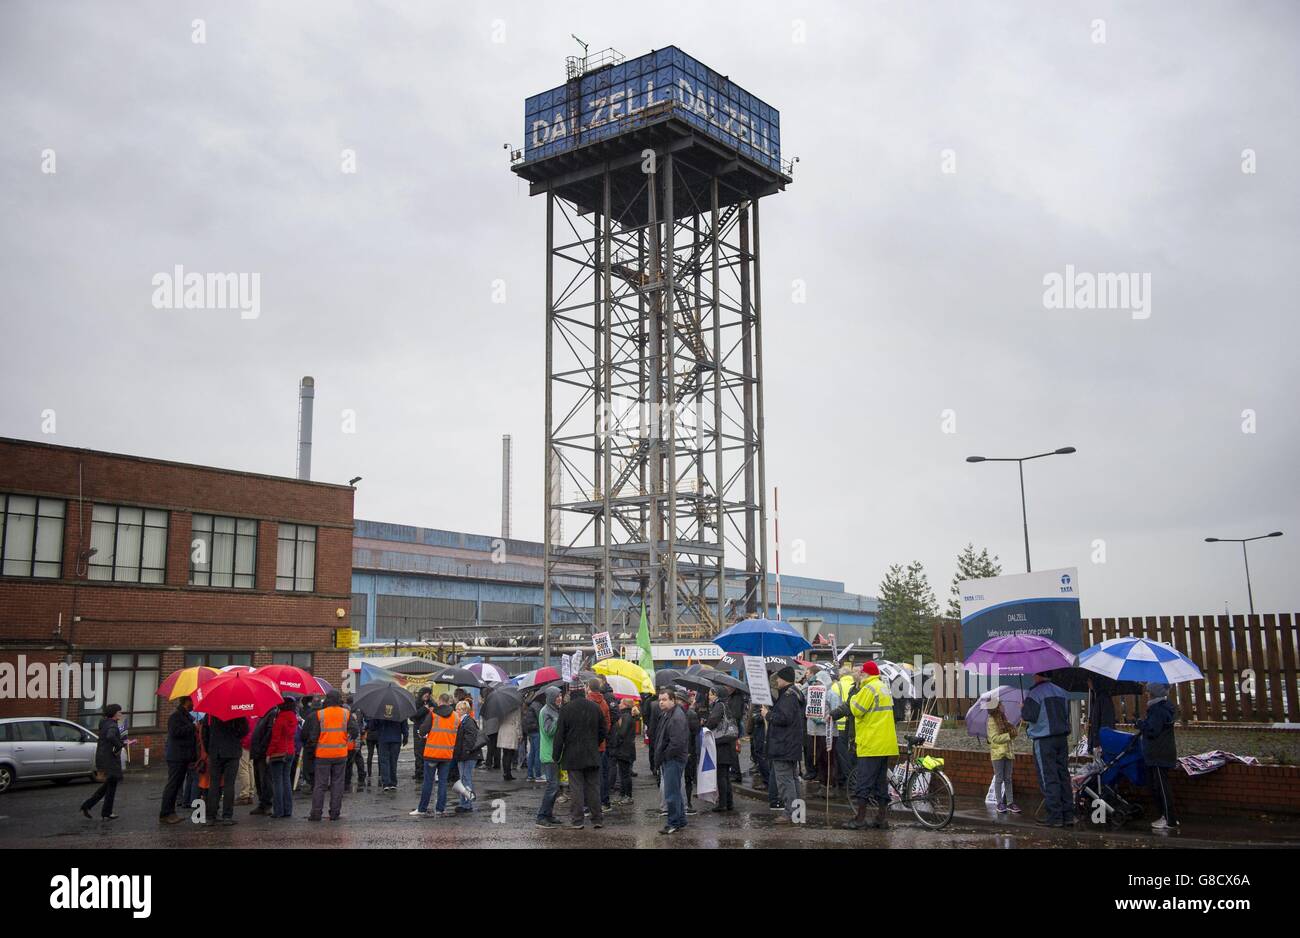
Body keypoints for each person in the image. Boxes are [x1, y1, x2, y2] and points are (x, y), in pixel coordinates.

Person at [833, 660, 898, 830]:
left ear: (866, 674)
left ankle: (860, 818)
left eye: (861, 673)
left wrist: (854, 696)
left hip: (871, 742)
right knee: (880, 782)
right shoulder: (883, 687)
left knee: (864, 781)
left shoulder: (868, 688)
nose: (860, 675)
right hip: (885, 743)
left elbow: (856, 709)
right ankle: (881, 818)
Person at [1021, 672, 1074, 828]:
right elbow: (1066, 714)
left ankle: (1055, 816)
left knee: (1048, 777)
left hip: (1044, 740)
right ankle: (1068, 815)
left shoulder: (1035, 693)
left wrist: (1023, 708)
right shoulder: (1062, 692)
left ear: (1038, 675)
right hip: (1062, 739)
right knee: (1063, 775)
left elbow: (1029, 716)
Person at [553, 681, 606, 830]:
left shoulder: (566, 709)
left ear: (571, 692)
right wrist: (595, 743)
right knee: (594, 787)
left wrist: (556, 755)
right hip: (592, 753)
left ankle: (578, 820)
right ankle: (597, 819)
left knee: (576, 788)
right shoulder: (595, 707)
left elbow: (559, 735)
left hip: (573, 755)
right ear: (583, 691)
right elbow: (603, 730)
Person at [306, 689, 358, 821]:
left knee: (320, 785)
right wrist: (346, 738)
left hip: (322, 754)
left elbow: (313, 736)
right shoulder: (346, 713)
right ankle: (335, 813)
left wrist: (313, 750)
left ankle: (316, 813)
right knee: (337, 784)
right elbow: (355, 730)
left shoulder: (320, 714)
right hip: (340, 753)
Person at [764, 666, 805, 824]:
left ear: (784, 679)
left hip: (784, 745)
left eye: (779, 678)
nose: (777, 681)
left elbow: (784, 718)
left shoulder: (788, 696)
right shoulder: (794, 693)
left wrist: (768, 715)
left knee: (785, 780)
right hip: (791, 744)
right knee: (792, 779)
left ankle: (790, 813)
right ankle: (797, 813)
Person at [1137, 682, 1179, 831]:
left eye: (1149, 691)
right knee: (1161, 786)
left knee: (1162, 787)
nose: (1147, 694)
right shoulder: (1164, 707)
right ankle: (1168, 816)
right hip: (1163, 752)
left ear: (1154, 693)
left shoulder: (1157, 710)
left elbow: (1153, 730)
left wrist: (1141, 724)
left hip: (1159, 754)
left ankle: (1169, 819)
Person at [411, 693, 459, 818]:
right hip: (447, 754)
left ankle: (422, 808)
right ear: (449, 702)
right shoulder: (455, 716)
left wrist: (423, 733)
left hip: (432, 754)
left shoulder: (433, 714)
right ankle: (440, 809)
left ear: (439, 701)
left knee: (428, 782)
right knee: (443, 783)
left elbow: (422, 730)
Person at [80, 703, 125, 821]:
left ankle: (87, 805)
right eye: (119, 712)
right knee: (111, 786)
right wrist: (120, 745)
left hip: (103, 757)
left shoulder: (105, 723)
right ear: (114, 714)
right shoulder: (112, 725)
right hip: (110, 759)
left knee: (108, 786)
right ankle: (106, 812)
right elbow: (110, 737)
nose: (121, 713)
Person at [204, 712, 250, 825]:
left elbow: (205, 732)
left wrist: (209, 749)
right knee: (229, 785)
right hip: (232, 751)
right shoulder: (237, 711)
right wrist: (235, 736)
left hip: (216, 752)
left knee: (214, 784)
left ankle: (211, 816)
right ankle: (227, 816)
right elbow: (245, 730)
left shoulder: (210, 713)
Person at [654, 686, 689, 834]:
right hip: (671, 758)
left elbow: (677, 743)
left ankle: (673, 822)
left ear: (672, 700)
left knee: (671, 792)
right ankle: (680, 820)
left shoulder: (676, 717)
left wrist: (666, 756)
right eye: (660, 700)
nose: (661, 702)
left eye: (664, 700)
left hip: (673, 759)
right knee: (674, 791)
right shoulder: (668, 713)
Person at [160, 696, 196, 824]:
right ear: (187, 702)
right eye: (193, 701)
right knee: (173, 784)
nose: (194, 704)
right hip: (176, 756)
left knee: (177, 784)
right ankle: (165, 813)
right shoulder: (175, 716)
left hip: (183, 756)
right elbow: (175, 732)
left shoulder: (185, 716)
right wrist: (193, 727)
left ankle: (171, 812)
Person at [705, 687, 738, 812]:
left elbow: (713, 721)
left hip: (721, 745)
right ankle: (729, 802)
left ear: (716, 695)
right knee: (725, 775)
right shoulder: (726, 705)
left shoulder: (719, 706)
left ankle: (723, 804)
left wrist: (705, 726)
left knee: (721, 776)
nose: (709, 696)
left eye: (711, 694)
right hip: (728, 744)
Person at [535, 686, 565, 827]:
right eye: (557, 696)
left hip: (556, 754)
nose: (560, 698)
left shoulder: (554, 710)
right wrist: (559, 719)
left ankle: (549, 814)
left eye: (561, 696)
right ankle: (541, 816)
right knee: (552, 786)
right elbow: (549, 731)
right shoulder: (546, 711)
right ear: (552, 697)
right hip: (549, 755)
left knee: (555, 786)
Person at [987, 699, 1020, 814]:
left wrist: (1013, 732)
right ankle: (999, 802)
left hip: (1008, 753)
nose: (1003, 706)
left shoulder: (1004, 719)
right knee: (999, 778)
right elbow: (994, 738)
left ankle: (1010, 802)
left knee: (1008, 778)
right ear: (996, 707)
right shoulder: (991, 721)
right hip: (998, 754)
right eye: (1001, 704)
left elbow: (1009, 735)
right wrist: (1008, 735)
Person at [268, 697, 298, 818]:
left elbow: (275, 739)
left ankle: (278, 811)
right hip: (290, 751)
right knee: (286, 781)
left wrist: (268, 753)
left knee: (277, 782)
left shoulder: (280, 719)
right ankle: (287, 810)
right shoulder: (293, 718)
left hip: (278, 753)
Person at [829, 663, 858, 790]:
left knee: (841, 755)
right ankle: (850, 780)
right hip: (851, 725)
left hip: (839, 725)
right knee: (851, 754)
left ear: (840, 675)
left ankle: (847, 782)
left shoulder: (836, 686)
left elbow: (833, 705)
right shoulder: (856, 686)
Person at [586, 679, 613, 809]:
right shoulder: (604, 703)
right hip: (602, 744)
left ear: (589, 688)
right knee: (602, 774)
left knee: (588, 776)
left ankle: (590, 804)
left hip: (589, 745)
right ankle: (604, 801)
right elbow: (607, 724)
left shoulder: (587, 703)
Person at [452, 699, 481, 813]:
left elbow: (470, 739)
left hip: (468, 756)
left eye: (459, 709)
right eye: (457, 709)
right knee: (464, 779)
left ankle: (467, 805)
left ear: (465, 710)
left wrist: (465, 752)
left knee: (466, 779)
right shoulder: (461, 721)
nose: (457, 711)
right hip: (464, 755)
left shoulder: (468, 721)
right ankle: (465, 803)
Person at [368, 710, 408, 792]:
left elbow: (372, 727)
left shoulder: (379, 710)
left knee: (384, 761)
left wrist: (374, 717)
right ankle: (393, 782)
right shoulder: (399, 710)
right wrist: (405, 737)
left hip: (383, 738)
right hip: (396, 739)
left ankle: (386, 783)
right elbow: (404, 725)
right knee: (393, 761)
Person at [249, 704, 277, 816]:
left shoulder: (271, 713)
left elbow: (269, 733)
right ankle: (262, 803)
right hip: (257, 752)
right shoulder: (264, 714)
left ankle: (266, 804)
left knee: (265, 779)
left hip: (262, 752)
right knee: (259, 779)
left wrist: (261, 747)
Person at [610, 696, 637, 804]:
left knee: (625, 774)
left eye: (621, 703)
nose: (619, 705)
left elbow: (622, 733)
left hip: (624, 750)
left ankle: (628, 796)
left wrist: (615, 739)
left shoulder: (626, 717)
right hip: (625, 749)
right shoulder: (627, 716)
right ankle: (622, 794)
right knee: (623, 773)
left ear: (625, 705)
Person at [1086, 677, 1117, 756]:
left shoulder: (1103, 698)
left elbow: (1106, 722)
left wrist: (1099, 741)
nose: (1088, 683)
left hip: (1102, 742)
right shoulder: (1096, 697)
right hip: (1098, 740)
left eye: (1090, 681)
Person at [497, 695, 522, 782]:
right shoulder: (516, 708)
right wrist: (520, 735)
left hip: (503, 730)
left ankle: (505, 772)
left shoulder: (501, 707)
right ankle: (508, 773)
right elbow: (518, 722)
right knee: (510, 754)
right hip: (511, 730)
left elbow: (498, 720)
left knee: (505, 753)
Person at [410, 687, 432, 781]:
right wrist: (424, 709)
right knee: (418, 752)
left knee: (427, 752)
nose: (427, 695)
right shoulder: (416, 703)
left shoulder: (432, 703)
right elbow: (412, 716)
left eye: (428, 694)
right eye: (425, 694)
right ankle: (419, 773)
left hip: (429, 731)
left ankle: (426, 772)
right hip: (418, 730)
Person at [523, 691, 543, 782]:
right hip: (536, 731)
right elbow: (541, 718)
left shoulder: (529, 704)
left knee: (532, 753)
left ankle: (530, 775)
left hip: (530, 731)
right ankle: (538, 775)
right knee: (537, 753)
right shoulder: (537, 705)